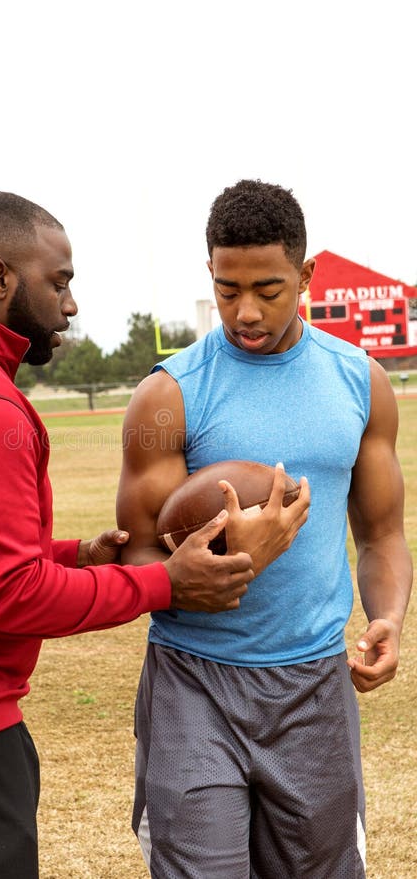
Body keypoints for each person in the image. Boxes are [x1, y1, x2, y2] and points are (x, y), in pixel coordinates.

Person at [0, 191, 309, 879]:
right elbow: (7, 595)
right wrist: (166, 582)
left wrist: (74, 556)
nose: (70, 306)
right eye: (60, 282)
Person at [117, 179, 413, 878]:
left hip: (314, 683)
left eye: (269, 290)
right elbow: (134, 559)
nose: (245, 311)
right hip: (195, 684)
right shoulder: (167, 396)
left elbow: (381, 534)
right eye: (227, 289)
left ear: (307, 274)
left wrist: (389, 617)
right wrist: (214, 568)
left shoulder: (360, 382)